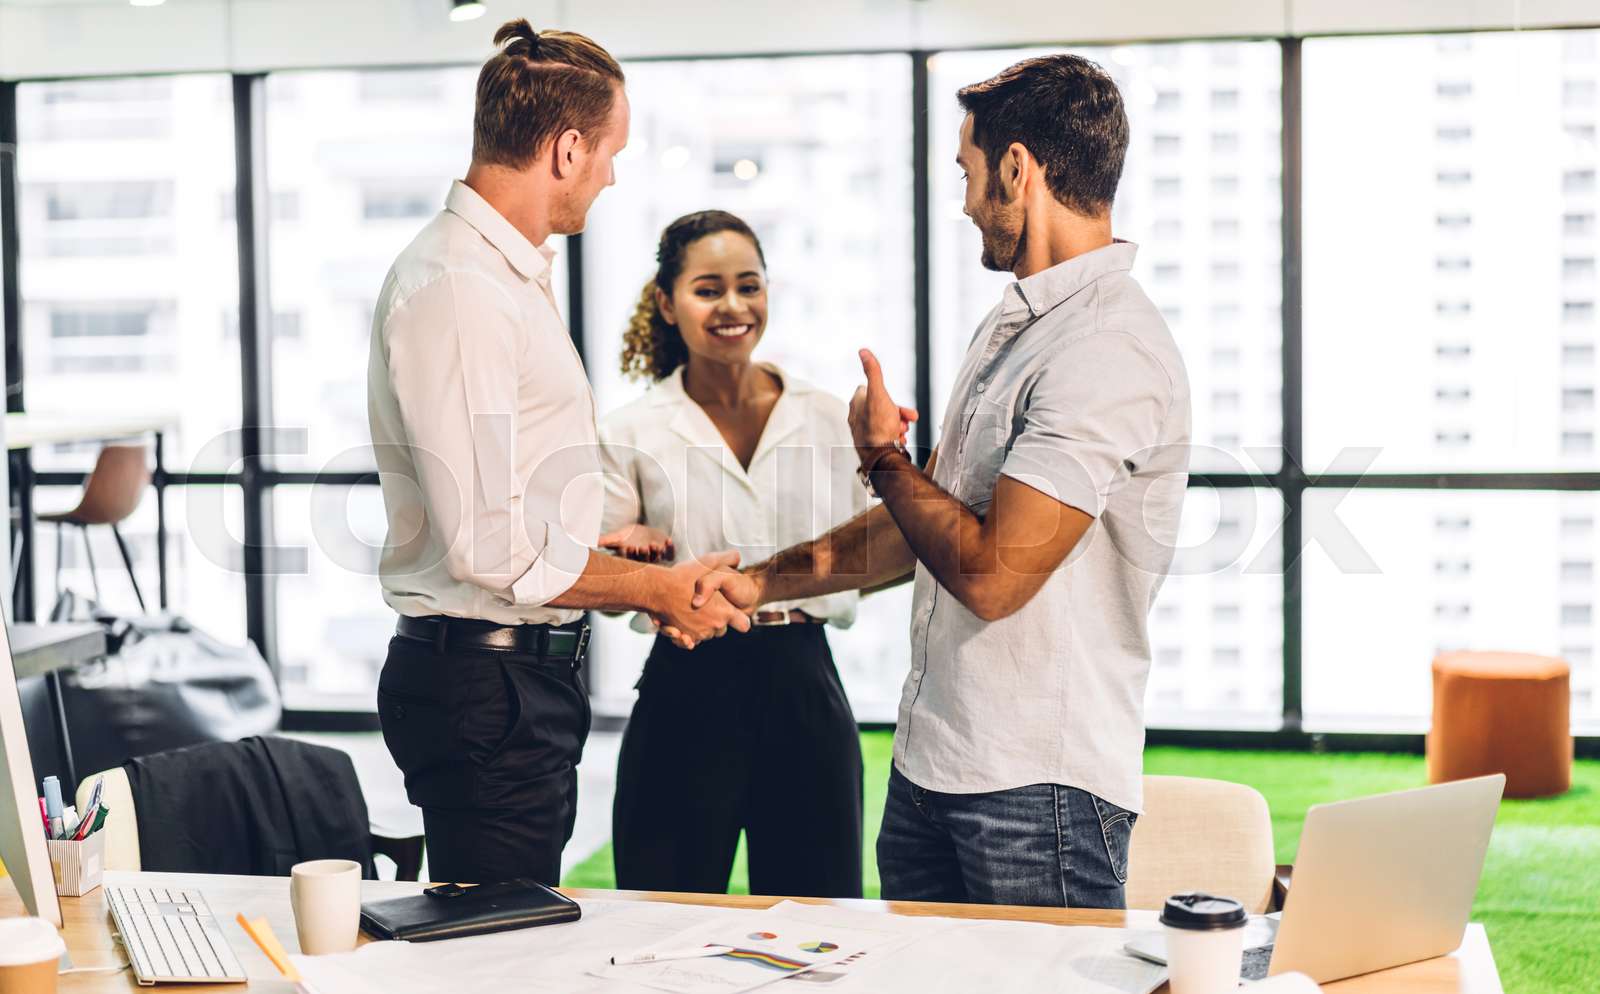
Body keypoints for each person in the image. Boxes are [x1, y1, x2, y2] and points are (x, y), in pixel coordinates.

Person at [698, 54, 1192, 908]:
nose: (964, 203)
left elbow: (994, 575)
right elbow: (925, 528)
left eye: (968, 173)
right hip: (933, 772)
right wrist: (756, 583)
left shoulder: (1104, 347)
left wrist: (883, 460)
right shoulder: (1017, 326)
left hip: (1038, 795)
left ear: (1016, 168)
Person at [366, 20, 751, 887]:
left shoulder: (500, 277)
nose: (613, 173)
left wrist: (619, 563)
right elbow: (489, 545)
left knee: (514, 928)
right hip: (486, 689)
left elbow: (513, 516)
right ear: (568, 148)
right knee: (499, 956)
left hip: (511, 683)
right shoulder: (461, 288)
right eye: (611, 151)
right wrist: (652, 587)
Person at [597, 211, 872, 898]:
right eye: (708, 289)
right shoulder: (629, 431)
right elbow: (593, 584)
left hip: (804, 687)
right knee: (663, 913)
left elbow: (877, 554)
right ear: (666, 303)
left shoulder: (830, 416)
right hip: (687, 687)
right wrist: (627, 564)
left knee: (817, 924)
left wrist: (892, 462)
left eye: (749, 286)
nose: (733, 307)